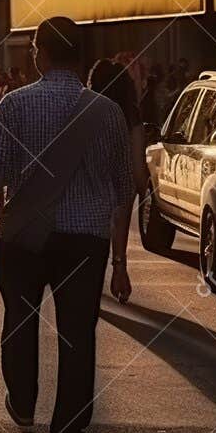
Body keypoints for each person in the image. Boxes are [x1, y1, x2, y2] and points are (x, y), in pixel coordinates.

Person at [0, 17, 134, 433]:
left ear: (38, 53)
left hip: (25, 238)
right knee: (77, 336)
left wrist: (3, 212)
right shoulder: (108, 112)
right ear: (78, 55)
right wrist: (120, 261)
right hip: (86, 241)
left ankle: (23, 406)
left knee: (20, 322)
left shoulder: (14, 105)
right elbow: (124, 188)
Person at [88, 58, 145, 304]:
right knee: (119, 222)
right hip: (120, 187)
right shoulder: (131, 115)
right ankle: (119, 270)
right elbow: (138, 167)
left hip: (87, 186)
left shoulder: (84, 109)